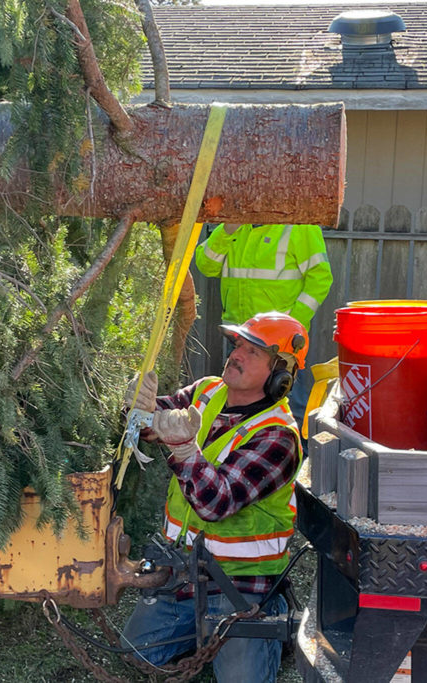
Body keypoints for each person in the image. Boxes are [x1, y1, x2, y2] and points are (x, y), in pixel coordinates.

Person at [122, 312, 308, 683]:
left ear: (280, 377)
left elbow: (215, 503)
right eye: (238, 345)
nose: (236, 354)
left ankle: (268, 626)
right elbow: (161, 418)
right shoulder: (208, 391)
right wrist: (140, 410)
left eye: (253, 352)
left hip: (240, 588)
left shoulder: (278, 437)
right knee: (134, 655)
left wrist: (184, 449)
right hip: (184, 577)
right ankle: (203, 635)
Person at [194, 223, 332, 427]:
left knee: (289, 408)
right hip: (240, 338)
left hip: (280, 346)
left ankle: (295, 447)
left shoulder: (299, 225)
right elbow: (206, 266)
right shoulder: (234, 225)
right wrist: (227, 230)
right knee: (237, 406)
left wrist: (291, 327)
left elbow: (320, 278)